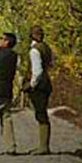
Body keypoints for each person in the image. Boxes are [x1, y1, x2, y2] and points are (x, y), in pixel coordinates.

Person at [23, 25, 55, 155]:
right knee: (42, 114)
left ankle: (43, 147)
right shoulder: (47, 48)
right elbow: (51, 63)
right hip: (46, 83)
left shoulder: (34, 51)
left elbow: (37, 71)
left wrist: (31, 85)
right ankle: (43, 145)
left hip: (39, 85)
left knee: (41, 115)